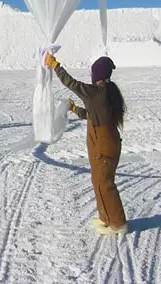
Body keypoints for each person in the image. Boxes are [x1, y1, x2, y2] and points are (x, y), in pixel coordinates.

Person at [44, 53, 128, 235]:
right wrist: (75, 109)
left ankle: (118, 223)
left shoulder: (96, 93)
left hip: (104, 147)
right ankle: (106, 218)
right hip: (106, 145)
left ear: (96, 75)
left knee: (104, 183)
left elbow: (71, 83)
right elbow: (90, 115)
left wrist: (55, 65)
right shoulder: (104, 93)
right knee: (99, 181)